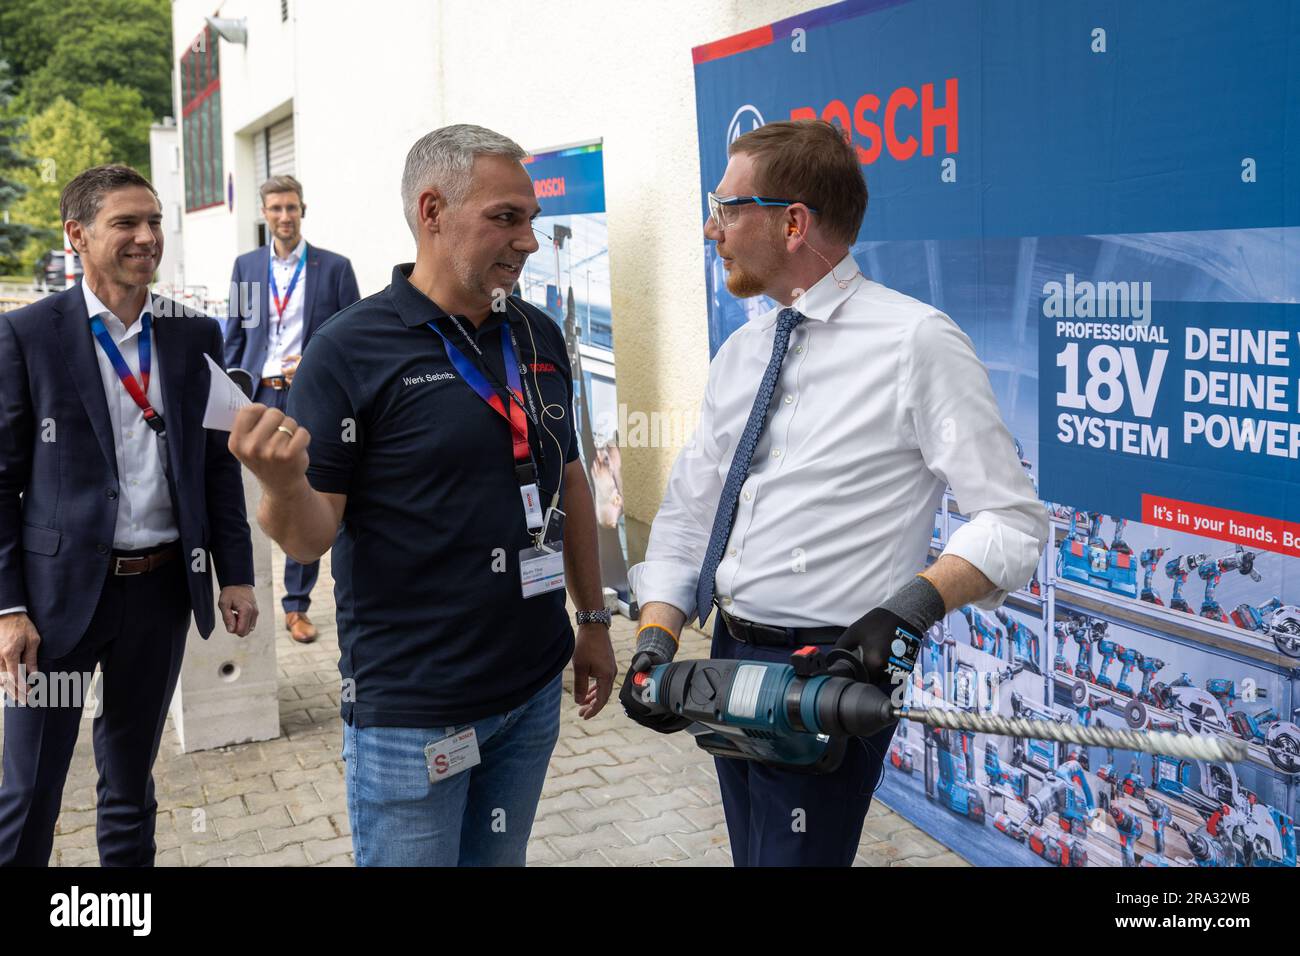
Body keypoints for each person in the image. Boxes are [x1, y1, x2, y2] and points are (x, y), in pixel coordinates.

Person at [624, 120, 1049, 866]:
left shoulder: (917, 341)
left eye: (726, 208)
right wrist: (656, 639)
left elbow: (1011, 521)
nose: (709, 227)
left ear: (792, 222)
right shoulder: (743, 350)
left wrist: (906, 611)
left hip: (828, 669)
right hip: (726, 657)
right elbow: (694, 505)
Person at [228, 124, 616, 866]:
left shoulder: (536, 333)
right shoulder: (349, 349)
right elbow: (310, 537)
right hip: (415, 716)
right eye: (507, 218)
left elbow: (568, 473)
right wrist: (279, 485)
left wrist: (592, 620)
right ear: (433, 210)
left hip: (532, 690)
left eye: (531, 219)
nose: (529, 240)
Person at [0, 164, 257, 866]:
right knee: (28, 794)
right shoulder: (28, 334)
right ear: (77, 235)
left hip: (160, 590)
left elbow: (216, 466)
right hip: (54, 604)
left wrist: (235, 574)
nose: (148, 238)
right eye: (126, 224)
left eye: (154, 223)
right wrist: (8, 608)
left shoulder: (192, 332)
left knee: (129, 783)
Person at [223, 175, 360, 643]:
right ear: (264, 213)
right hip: (260, 393)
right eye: (276, 209)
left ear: (303, 210)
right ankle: (243, 587)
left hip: (308, 394)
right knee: (251, 497)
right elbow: (236, 331)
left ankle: (297, 606)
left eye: (292, 208)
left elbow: (353, 334)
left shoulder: (335, 268)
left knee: (308, 492)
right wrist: (230, 384)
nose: (285, 217)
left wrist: (321, 363)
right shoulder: (246, 266)